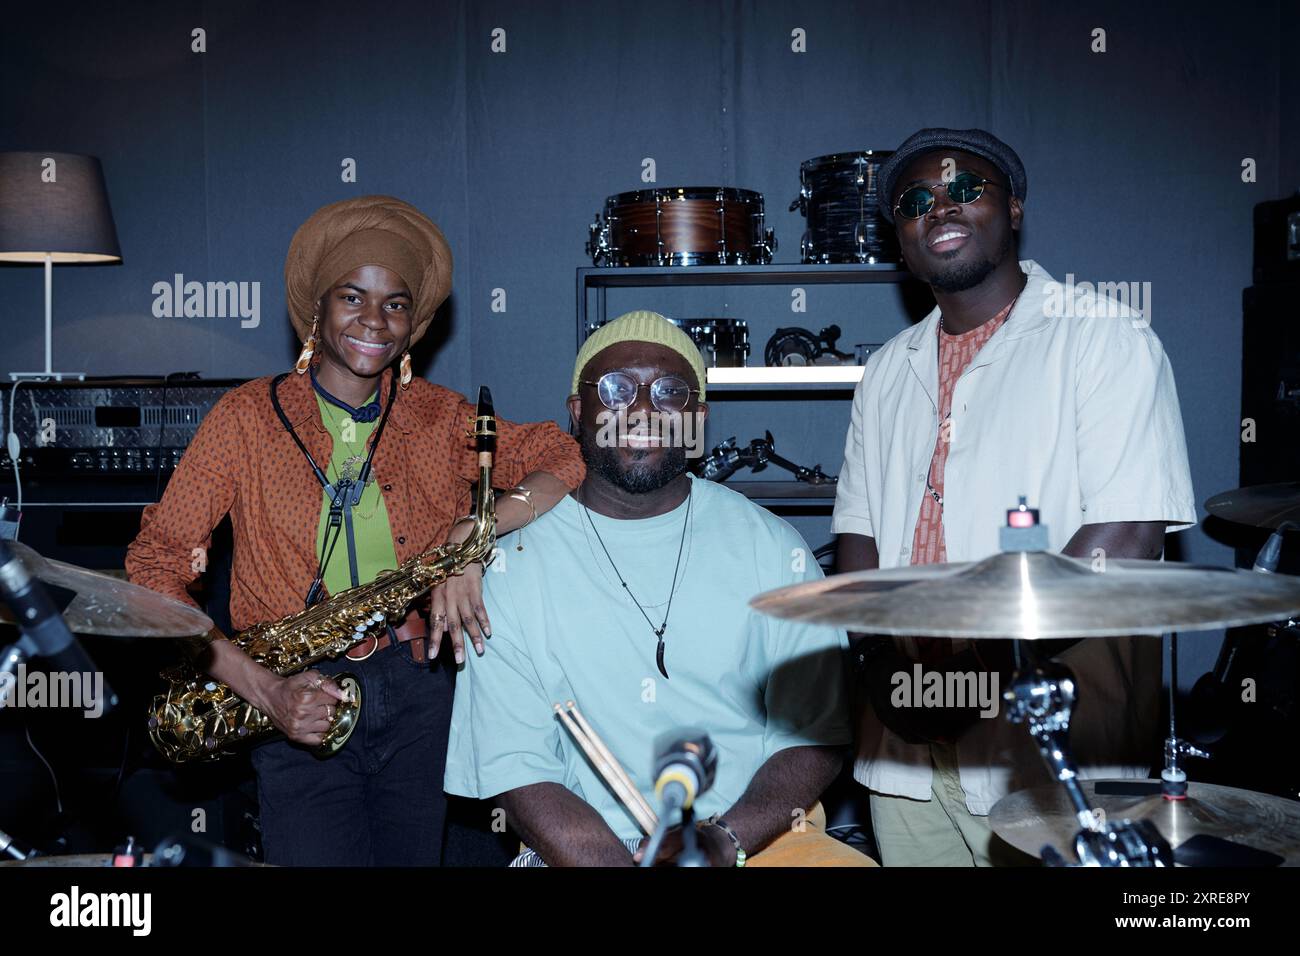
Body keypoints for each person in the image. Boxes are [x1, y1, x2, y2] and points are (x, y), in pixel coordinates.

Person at [127, 195, 584, 865]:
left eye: (395, 303)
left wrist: (472, 536)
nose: (375, 320)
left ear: (413, 322)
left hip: (420, 689)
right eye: (352, 296)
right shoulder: (245, 419)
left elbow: (563, 458)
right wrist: (265, 689)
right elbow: (154, 566)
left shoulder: (440, 416)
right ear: (317, 307)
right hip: (293, 688)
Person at [832, 128, 1197, 866]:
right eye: (917, 200)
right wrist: (880, 666)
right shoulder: (884, 372)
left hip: (1050, 751)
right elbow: (858, 538)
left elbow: (1126, 538)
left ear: (1015, 209)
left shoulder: (1104, 337)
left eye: (968, 188)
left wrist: (974, 676)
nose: (942, 207)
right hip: (903, 752)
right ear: (899, 237)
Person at [444, 310, 873, 867]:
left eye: (670, 392)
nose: (643, 408)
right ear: (578, 413)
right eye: (616, 389)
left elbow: (816, 733)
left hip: (755, 836)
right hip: (577, 848)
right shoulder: (510, 568)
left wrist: (724, 839)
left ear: (697, 418)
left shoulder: (771, 547)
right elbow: (517, 769)